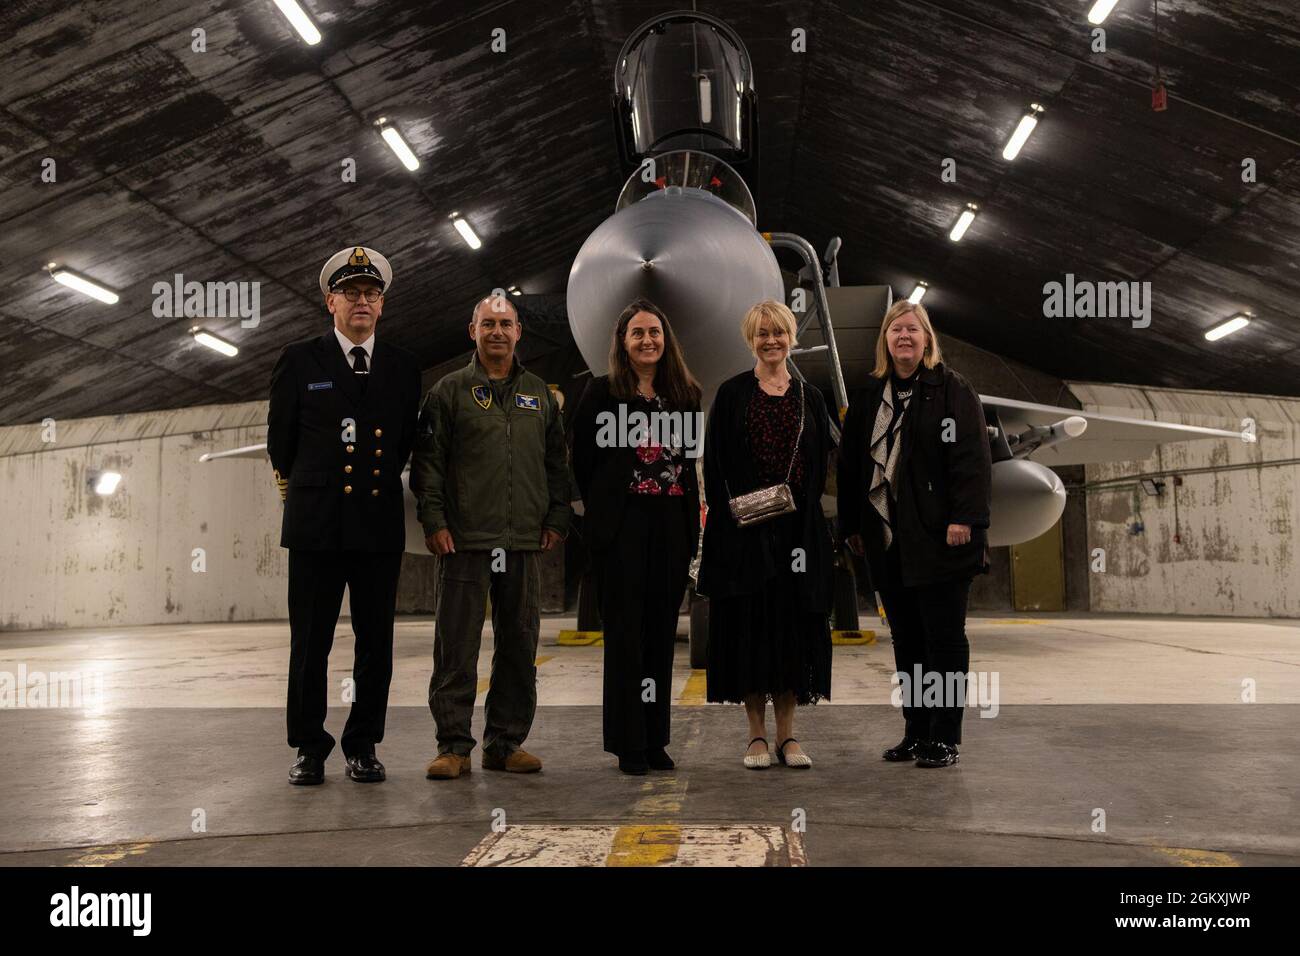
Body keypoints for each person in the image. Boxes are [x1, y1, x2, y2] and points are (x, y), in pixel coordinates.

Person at [267, 245, 422, 786]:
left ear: (382, 304)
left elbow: (403, 444)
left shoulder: (403, 367)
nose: (362, 301)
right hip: (316, 525)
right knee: (311, 642)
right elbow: (281, 444)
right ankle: (309, 747)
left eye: (371, 294)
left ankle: (363, 744)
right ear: (330, 301)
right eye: (351, 293)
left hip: (376, 524)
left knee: (375, 642)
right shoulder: (299, 360)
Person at [409, 294, 571, 779]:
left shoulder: (539, 394)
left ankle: (505, 743)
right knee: (456, 646)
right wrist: (434, 521)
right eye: (488, 324)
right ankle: (453, 746)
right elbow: (428, 465)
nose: (497, 331)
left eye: (505, 323)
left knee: (519, 645)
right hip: (465, 539)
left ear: (518, 332)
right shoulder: (448, 392)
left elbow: (557, 464)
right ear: (473, 331)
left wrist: (557, 517)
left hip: (522, 540)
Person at [838, 299, 992, 768]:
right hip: (889, 539)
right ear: (885, 340)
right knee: (907, 640)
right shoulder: (869, 396)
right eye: (896, 329)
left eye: (912, 329)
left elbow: (972, 458)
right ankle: (916, 731)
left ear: (927, 339)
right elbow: (850, 467)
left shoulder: (952, 390)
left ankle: (944, 737)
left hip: (943, 537)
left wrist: (965, 519)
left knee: (944, 640)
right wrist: (852, 525)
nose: (904, 336)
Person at [698, 299, 833, 769]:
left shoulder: (810, 397)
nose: (771, 341)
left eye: (778, 332)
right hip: (744, 533)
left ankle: (787, 736)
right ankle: (755, 735)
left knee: (792, 630)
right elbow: (715, 466)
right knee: (750, 629)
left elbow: (820, 466)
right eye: (762, 333)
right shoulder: (732, 393)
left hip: (797, 534)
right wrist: (727, 526)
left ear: (791, 337)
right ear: (750, 340)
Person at [570, 299, 702, 775]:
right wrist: (606, 509)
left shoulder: (685, 394)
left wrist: (691, 529)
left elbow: (688, 463)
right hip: (623, 525)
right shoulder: (601, 392)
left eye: (654, 332)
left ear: (666, 340)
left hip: (670, 522)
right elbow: (582, 460)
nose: (648, 340)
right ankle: (629, 742)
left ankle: (655, 739)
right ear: (623, 343)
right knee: (625, 635)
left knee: (660, 635)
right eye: (638, 333)